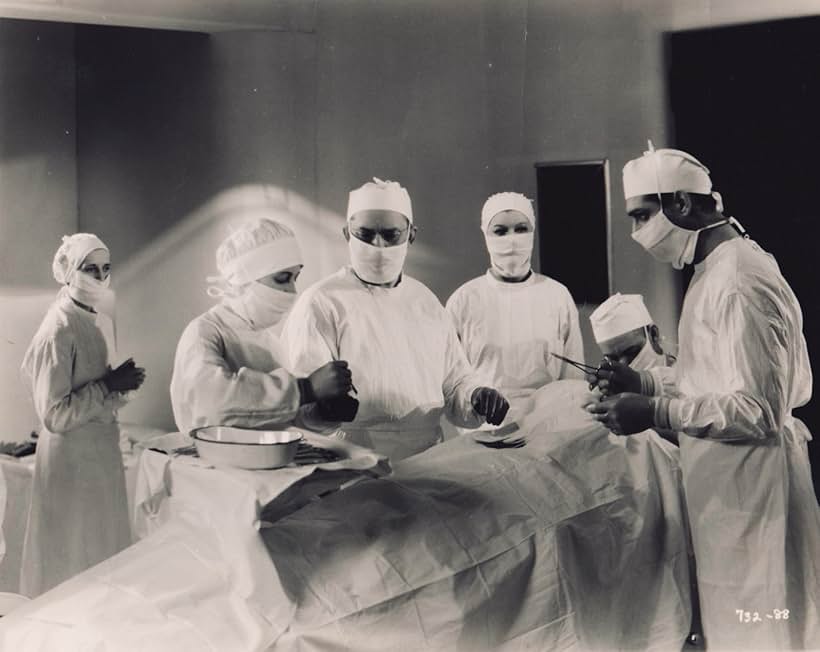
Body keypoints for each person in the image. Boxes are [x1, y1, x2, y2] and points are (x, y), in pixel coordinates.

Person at [586, 145, 820, 650]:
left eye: (642, 216)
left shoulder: (738, 280)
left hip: (757, 495)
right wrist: (643, 384)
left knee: (764, 630)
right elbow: (712, 380)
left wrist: (653, 411)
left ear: (682, 205)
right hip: (731, 494)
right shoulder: (715, 270)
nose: (636, 233)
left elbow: (758, 410)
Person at [282, 178, 510, 461]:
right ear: (346, 233)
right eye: (365, 235)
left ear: (411, 235)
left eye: (391, 235)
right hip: (351, 461)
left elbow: (454, 382)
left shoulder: (424, 301)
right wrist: (324, 411)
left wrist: (476, 397)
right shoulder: (321, 303)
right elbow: (301, 405)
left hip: (427, 458)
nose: (378, 246)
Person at [20, 233, 145, 597]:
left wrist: (120, 384)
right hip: (70, 462)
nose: (99, 278)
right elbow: (54, 415)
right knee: (70, 561)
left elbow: (91, 386)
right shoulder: (58, 329)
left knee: (101, 552)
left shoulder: (92, 319)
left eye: (105, 269)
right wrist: (108, 385)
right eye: (90, 270)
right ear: (70, 272)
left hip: (96, 456)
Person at [170, 218, 354, 435]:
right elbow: (211, 403)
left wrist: (324, 413)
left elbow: (279, 418)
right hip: (214, 461)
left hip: (267, 462)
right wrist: (306, 389)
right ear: (244, 279)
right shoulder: (205, 331)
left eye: (295, 278)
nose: (292, 290)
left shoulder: (269, 341)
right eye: (282, 278)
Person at [446, 192, 584, 405]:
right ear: (486, 235)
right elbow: (452, 379)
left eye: (521, 229)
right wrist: (475, 401)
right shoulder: (464, 300)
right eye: (500, 231)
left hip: (549, 425)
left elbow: (573, 378)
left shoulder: (557, 295)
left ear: (533, 232)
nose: (511, 240)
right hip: (483, 428)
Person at [589, 292, 674, 370]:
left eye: (631, 353)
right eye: (613, 360)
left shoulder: (684, 379)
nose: (624, 367)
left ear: (653, 334)